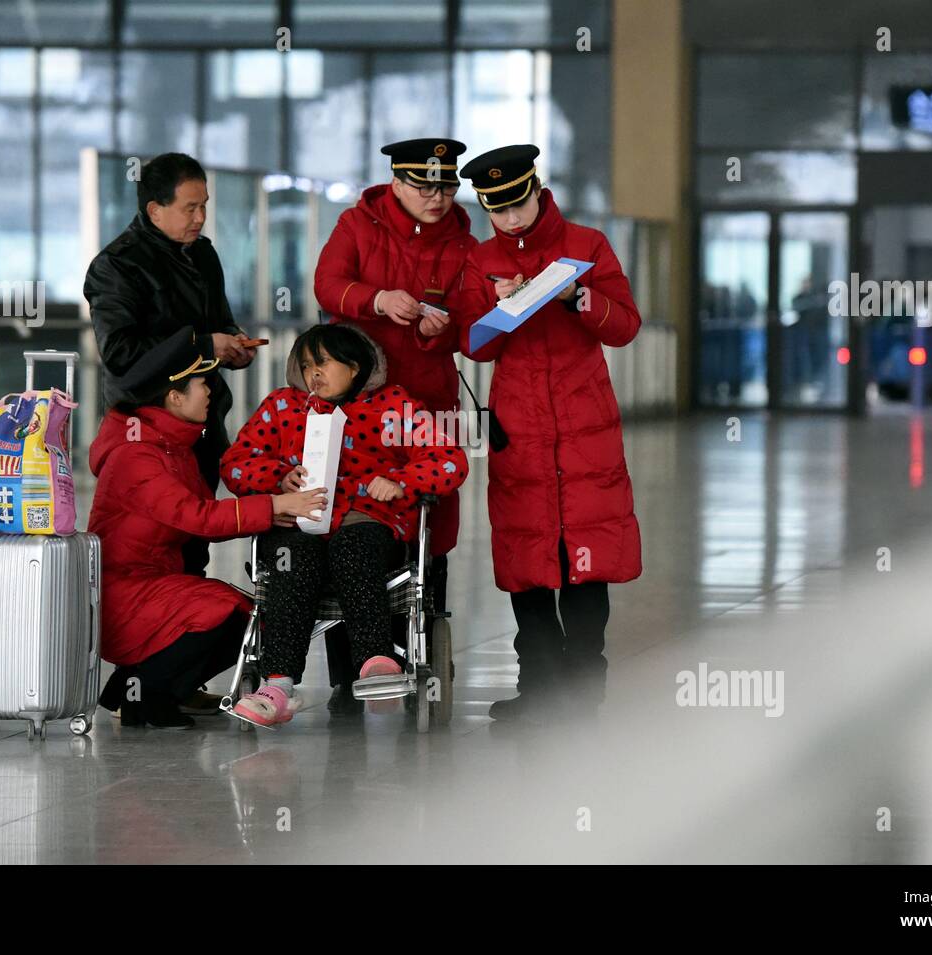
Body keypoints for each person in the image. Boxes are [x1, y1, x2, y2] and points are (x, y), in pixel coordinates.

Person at [448, 144, 643, 722]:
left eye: (518, 205)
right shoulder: (481, 260)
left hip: (586, 425)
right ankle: (538, 690)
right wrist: (500, 308)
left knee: (586, 559)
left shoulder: (586, 245)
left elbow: (626, 326)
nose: (510, 220)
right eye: (497, 211)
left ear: (538, 189)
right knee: (527, 556)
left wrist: (576, 296)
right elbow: (472, 344)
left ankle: (584, 692)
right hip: (520, 427)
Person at [219, 323, 469, 727]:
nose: (312, 373)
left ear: (354, 367)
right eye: (305, 366)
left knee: (355, 547)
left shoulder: (393, 407)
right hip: (300, 516)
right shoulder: (283, 407)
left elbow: (449, 460)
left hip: (367, 515)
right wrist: (277, 477)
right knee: (288, 560)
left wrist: (401, 482)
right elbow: (235, 463)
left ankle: (375, 663)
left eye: (323, 363)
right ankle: (277, 685)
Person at [88, 328, 326, 729]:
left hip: (147, 587)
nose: (210, 392)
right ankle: (147, 695)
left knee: (244, 613)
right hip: (124, 593)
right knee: (229, 617)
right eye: (202, 383)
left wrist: (275, 510)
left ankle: (128, 690)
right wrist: (271, 506)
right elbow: (196, 515)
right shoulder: (138, 456)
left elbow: (206, 517)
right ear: (174, 396)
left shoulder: (170, 449)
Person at [313, 138, 477, 711]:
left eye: (447, 187)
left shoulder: (464, 241)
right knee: (346, 513)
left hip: (425, 405)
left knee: (427, 511)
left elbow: (474, 318)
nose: (437, 198)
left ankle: (424, 643)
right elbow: (327, 285)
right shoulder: (357, 225)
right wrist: (376, 298)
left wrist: (446, 331)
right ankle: (349, 668)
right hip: (355, 401)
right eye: (424, 186)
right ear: (397, 184)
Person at [85, 152, 258, 576]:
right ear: (155, 210)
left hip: (200, 422)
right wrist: (204, 345)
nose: (200, 218)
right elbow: (122, 355)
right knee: (150, 540)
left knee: (194, 547)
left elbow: (218, 320)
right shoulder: (116, 266)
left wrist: (232, 343)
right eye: (190, 208)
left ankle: (188, 617)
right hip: (146, 429)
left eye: (205, 206)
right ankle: (151, 629)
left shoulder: (202, 255)